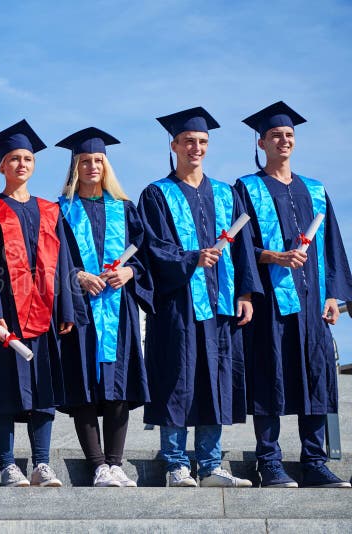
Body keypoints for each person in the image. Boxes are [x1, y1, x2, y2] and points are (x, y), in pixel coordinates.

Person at [137, 107, 261, 488]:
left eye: (202, 141)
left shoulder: (226, 194)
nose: (196, 147)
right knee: (176, 379)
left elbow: (243, 248)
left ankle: (210, 465)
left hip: (219, 306)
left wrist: (245, 293)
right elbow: (153, 248)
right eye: (188, 141)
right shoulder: (156, 194)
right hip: (178, 306)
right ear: (174, 145)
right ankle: (175, 463)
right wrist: (192, 258)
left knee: (215, 381)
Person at [234, 101, 352, 488]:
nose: (283, 140)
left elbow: (332, 246)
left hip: (312, 303)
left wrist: (333, 295)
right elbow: (239, 246)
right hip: (270, 302)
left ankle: (314, 462)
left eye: (289, 135)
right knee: (269, 375)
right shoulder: (246, 188)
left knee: (316, 377)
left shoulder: (315, 190)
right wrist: (274, 256)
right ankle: (269, 462)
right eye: (275, 135)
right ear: (261, 142)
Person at [0, 119, 82, 487]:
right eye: (14, 159)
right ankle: (7, 464)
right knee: (2, 387)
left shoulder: (50, 210)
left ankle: (41, 464)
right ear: (1, 166)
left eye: (27, 159)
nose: (21, 164)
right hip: (4, 313)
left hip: (44, 310)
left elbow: (64, 261)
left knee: (44, 387)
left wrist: (67, 308)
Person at [55, 128, 153, 487]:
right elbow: (51, 259)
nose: (92, 166)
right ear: (75, 166)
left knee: (119, 383)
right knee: (83, 383)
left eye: (98, 160)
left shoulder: (125, 209)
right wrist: (77, 276)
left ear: (106, 166)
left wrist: (129, 271)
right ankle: (98, 465)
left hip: (118, 308)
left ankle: (115, 464)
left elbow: (146, 255)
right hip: (80, 309)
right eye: (85, 161)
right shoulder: (60, 210)